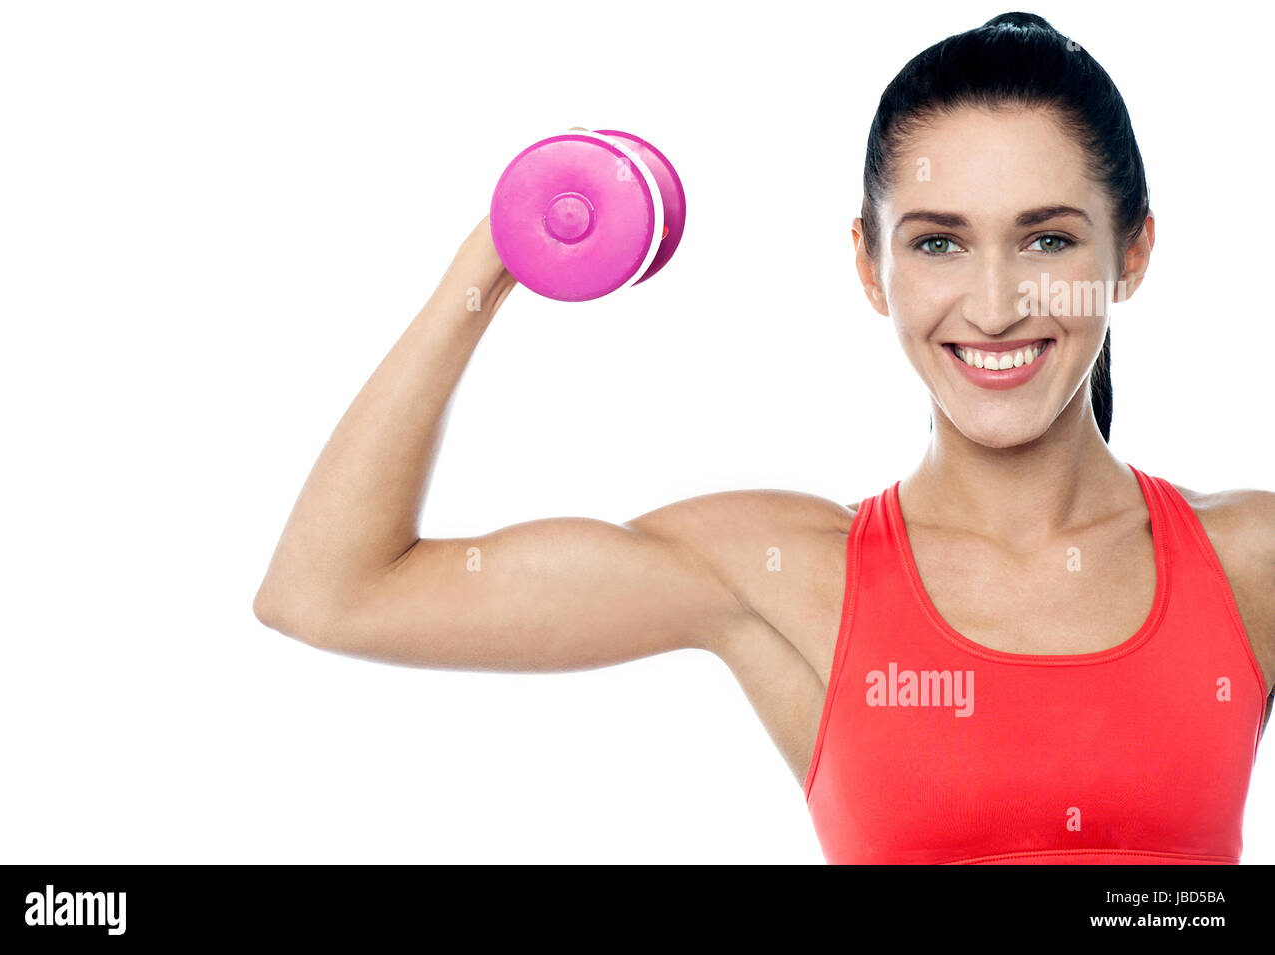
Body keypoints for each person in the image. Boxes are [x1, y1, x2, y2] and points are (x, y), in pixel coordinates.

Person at [252, 12, 1275, 863]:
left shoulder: (1250, 563)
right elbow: (329, 592)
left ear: (1132, 251)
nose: (996, 303)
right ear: (870, 268)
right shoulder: (783, 573)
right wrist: (502, 251)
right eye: (937, 242)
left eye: (1047, 238)